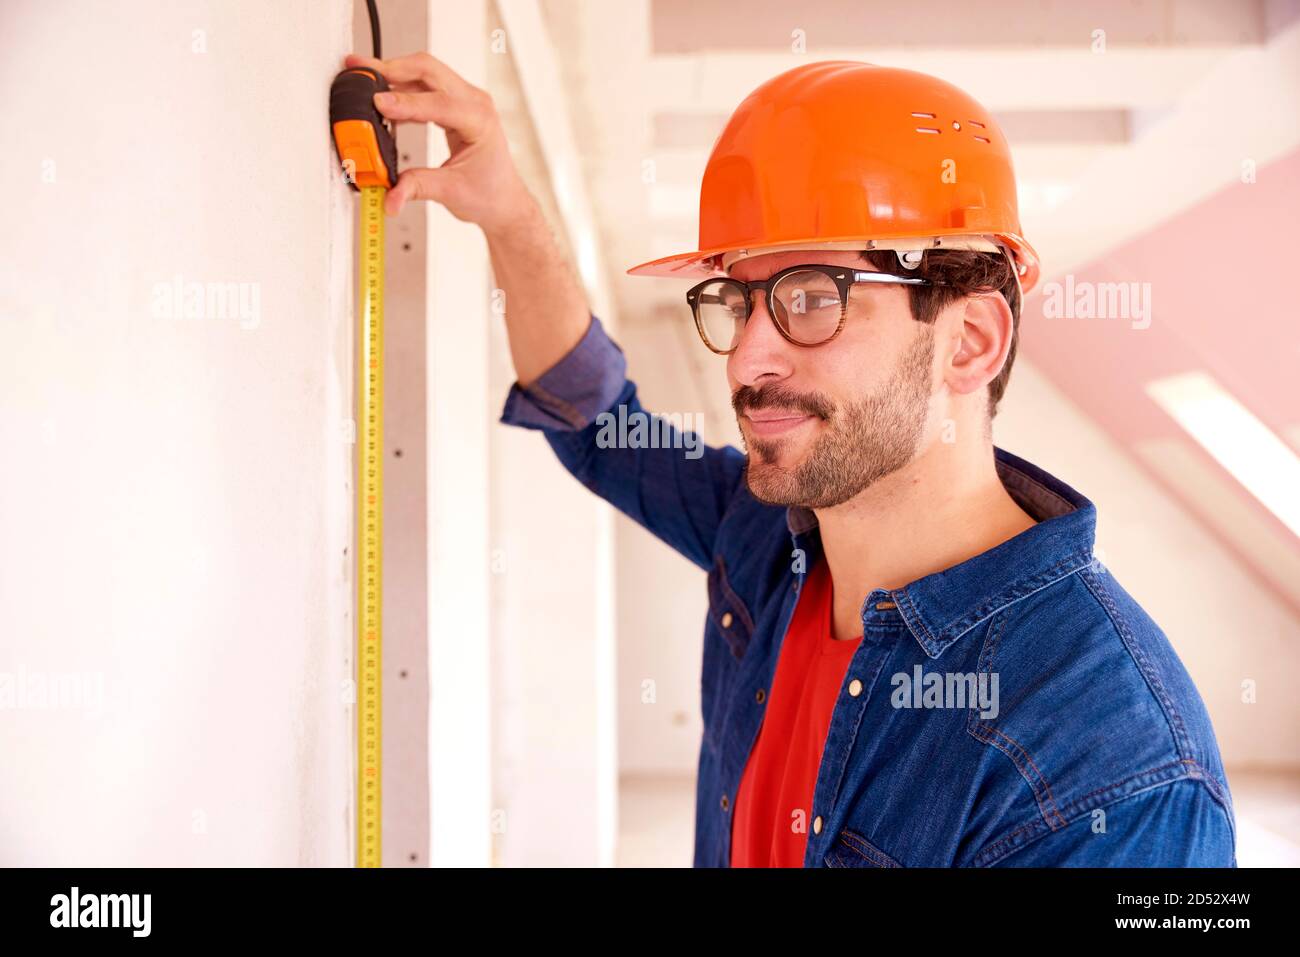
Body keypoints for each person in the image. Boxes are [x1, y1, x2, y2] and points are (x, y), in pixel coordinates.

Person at [345, 50, 1236, 867]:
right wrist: (508, 206)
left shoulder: (1119, 765)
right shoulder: (772, 538)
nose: (744, 358)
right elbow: (594, 419)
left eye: (812, 297)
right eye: (739, 300)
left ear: (969, 340)